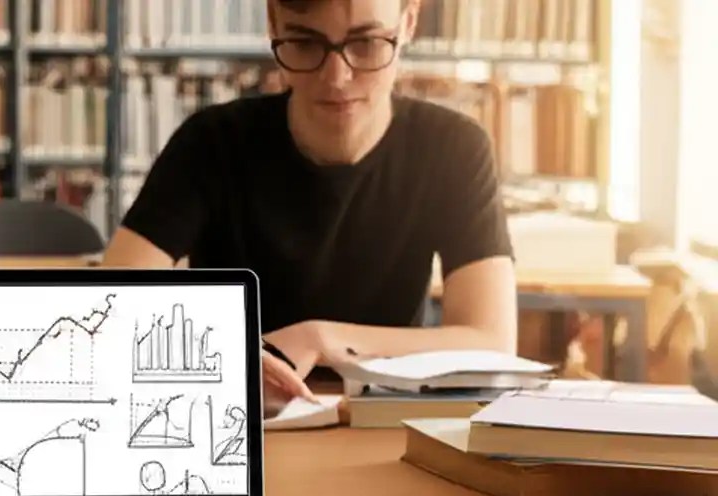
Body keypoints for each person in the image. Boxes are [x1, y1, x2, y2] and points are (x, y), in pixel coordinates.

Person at [101, 0, 517, 409]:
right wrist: (222, 358)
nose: (336, 77)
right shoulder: (212, 141)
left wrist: (321, 340)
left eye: (367, 43)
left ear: (408, 23)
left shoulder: (454, 147)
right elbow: (109, 309)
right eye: (305, 44)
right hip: (235, 415)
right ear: (273, 25)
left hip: (381, 423)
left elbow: (492, 341)